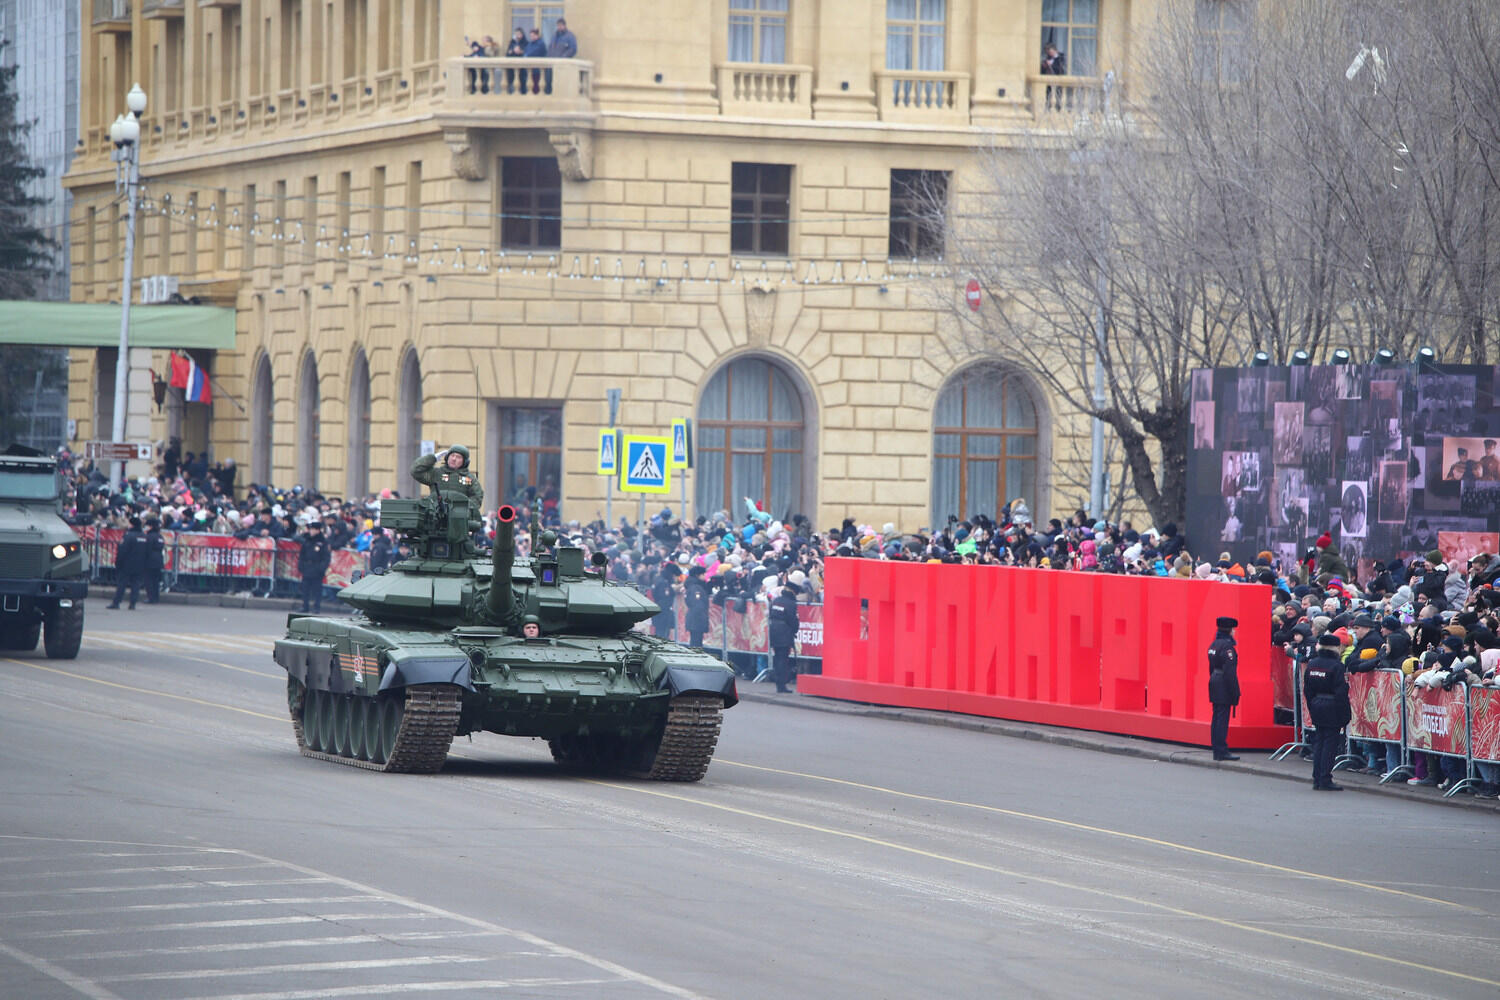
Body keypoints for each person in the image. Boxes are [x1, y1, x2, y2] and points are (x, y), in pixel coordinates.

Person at [1304, 632, 1351, 791]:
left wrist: (1312, 705)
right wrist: (1345, 714)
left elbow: (1307, 689)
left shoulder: (1312, 664)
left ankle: (1317, 777)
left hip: (1317, 704)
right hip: (1332, 706)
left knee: (1319, 742)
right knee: (1329, 744)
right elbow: (1341, 692)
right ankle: (1325, 778)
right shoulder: (1336, 666)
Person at [1206, 615, 1241, 761]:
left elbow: (1211, 666)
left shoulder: (1214, 644)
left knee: (1216, 717)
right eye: (1233, 630)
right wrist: (1235, 692)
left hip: (1214, 680)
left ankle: (1217, 748)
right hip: (1223, 683)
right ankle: (1221, 750)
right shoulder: (1227, 647)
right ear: (1230, 630)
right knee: (1222, 719)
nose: (1234, 632)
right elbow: (1230, 672)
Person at [768, 574, 801, 693]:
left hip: (774, 630)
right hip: (784, 632)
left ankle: (779, 682)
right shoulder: (791, 604)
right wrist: (794, 630)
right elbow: (793, 620)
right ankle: (781, 685)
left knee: (777, 657)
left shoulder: (777, 600)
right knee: (783, 658)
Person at [108, 516, 148, 610]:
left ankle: (116, 602)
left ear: (132, 525)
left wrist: (118, 563)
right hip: (140, 565)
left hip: (127, 564)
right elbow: (147, 552)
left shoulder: (128, 536)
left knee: (122, 584)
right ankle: (132, 603)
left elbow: (122, 551)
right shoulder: (144, 537)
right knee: (136, 585)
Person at [297, 520, 332, 613]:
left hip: (317, 568)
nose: (311, 531)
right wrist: (301, 565)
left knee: (317, 590)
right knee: (305, 589)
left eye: (312, 529)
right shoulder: (307, 540)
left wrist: (321, 568)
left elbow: (326, 557)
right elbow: (302, 554)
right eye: (310, 529)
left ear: (317, 530)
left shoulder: (323, 542)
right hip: (307, 567)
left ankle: (316, 607)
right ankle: (305, 606)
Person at [684, 564, 711, 649]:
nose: (705, 576)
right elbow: (697, 604)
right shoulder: (695, 588)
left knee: (696, 641)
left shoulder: (697, 586)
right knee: (696, 643)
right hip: (696, 619)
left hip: (696, 619)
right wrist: (702, 617)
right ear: (698, 575)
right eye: (703, 574)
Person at [650, 563, 680, 639]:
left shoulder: (658, 579)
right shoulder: (664, 583)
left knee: (660, 634)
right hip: (663, 614)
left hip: (659, 613)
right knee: (662, 636)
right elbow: (665, 599)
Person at [143, 517, 165, 603]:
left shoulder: (149, 536)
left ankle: (150, 597)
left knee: (149, 580)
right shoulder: (159, 536)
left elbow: (147, 549)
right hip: (158, 559)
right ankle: (156, 597)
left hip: (150, 560)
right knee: (156, 580)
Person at [1040, 42, 1067, 111]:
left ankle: (1058, 108)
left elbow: (1061, 68)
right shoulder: (1048, 57)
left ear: (1054, 50)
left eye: (1050, 52)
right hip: (1049, 79)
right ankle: (1048, 107)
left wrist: (1051, 65)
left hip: (1058, 78)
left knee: (1058, 94)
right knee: (1048, 94)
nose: (1049, 54)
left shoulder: (1061, 57)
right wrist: (1045, 66)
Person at [524, 27, 548, 94]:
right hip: (530, 69)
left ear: (537, 35)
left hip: (538, 70)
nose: (531, 37)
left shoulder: (541, 44)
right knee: (530, 87)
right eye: (530, 36)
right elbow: (526, 51)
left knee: (537, 88)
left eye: (533, 35)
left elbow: (534, 53)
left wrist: (527, 55)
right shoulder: (530, 44)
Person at [505, 28, 526, 93]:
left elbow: (527, 53)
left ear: (522, 34)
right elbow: (507, 54)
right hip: (511, 67)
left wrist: (521, 52)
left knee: (521, 82)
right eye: (516, 34)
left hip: (521, 67)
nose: (517, 35)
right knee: (510, 82)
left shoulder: (525, 42)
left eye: (519, 34)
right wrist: (511, 52)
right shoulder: (512, 42)